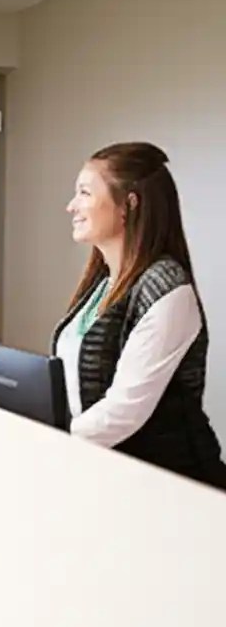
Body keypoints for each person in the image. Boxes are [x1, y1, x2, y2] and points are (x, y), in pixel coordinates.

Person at [51, 141, 226, 488]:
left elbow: (122, 412)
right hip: (110, 471)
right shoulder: (102, 282)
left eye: (85, 193)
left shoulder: (168, 290)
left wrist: (47, 437)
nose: (71, 206)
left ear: (129, 204)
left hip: (174, 485)